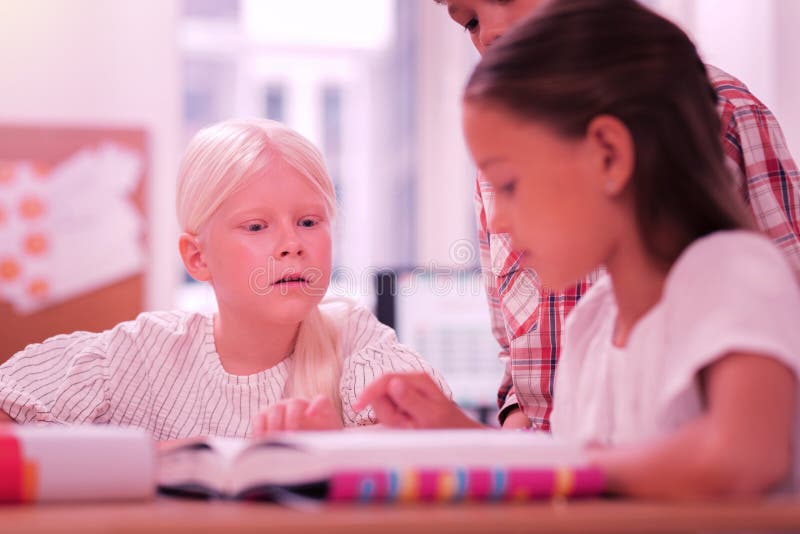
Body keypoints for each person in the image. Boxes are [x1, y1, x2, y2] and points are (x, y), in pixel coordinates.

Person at [358, 0, 800, 498]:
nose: (496, 219)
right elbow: (569, 472)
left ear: (609, 154)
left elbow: (742, 455)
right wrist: (458, 435)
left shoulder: (739, 273)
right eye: (471, 21)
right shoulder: (592, 327)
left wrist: (572, 470)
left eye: (511, 184)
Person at [0, 118, 449, 440]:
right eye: (257, 227)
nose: (292, 244)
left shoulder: (357, 344)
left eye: (310, 222)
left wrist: (338, 450)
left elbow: (438, 446)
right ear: (198, 258)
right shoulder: (138, 355)